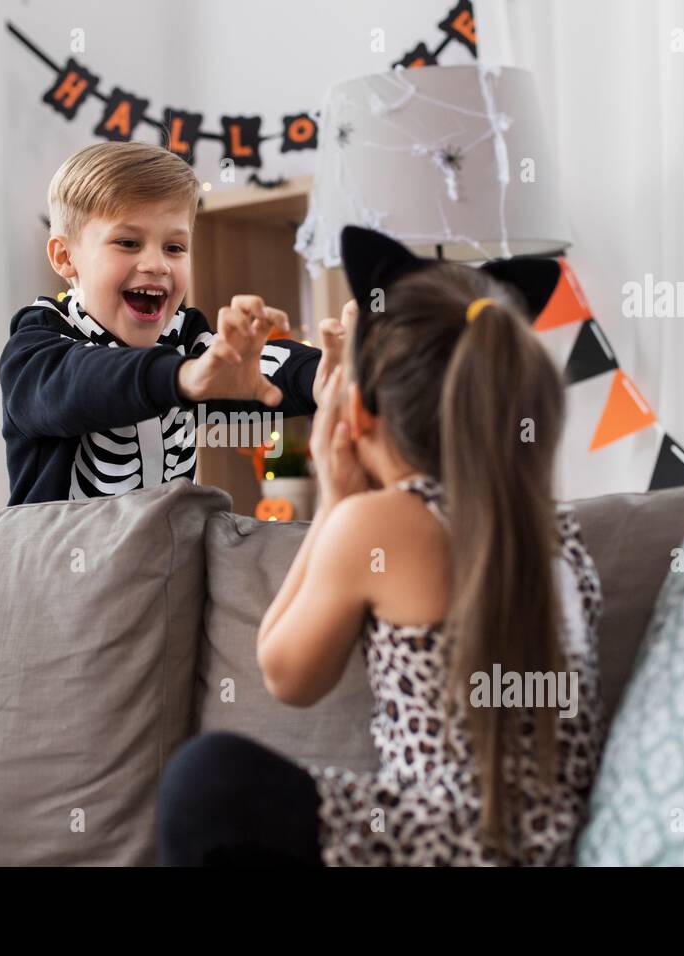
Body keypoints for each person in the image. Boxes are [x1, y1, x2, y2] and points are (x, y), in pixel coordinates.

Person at [157, 225, 606, 866]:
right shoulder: (554, 532)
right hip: (548, 851)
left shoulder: (379, 523)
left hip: (442, 849)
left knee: (207, 782)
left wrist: (335, 498)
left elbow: (286, 673)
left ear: (359, 412)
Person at [0, 141, 335, 506]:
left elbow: (245, 365)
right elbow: (75, 384)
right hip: (58, 558)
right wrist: (183, 377)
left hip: (168, 551)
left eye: (174, 248)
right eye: (128, 242)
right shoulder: (36, 348)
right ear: (65, 257)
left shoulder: (184, 337)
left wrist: (332, 375)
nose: (157, 265)